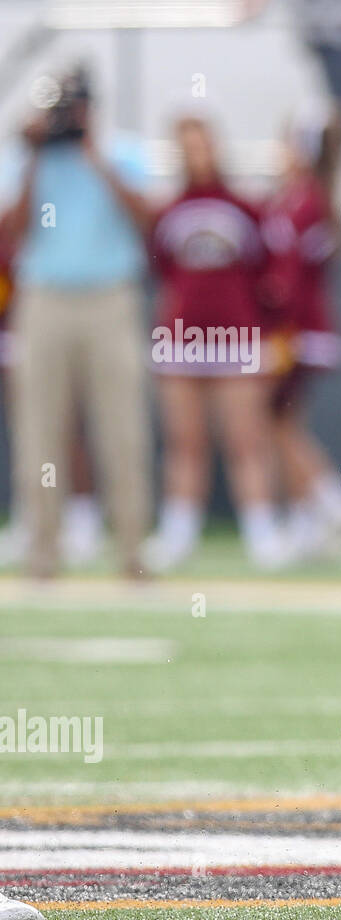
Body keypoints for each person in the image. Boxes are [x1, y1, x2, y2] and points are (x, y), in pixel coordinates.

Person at [2, 67, 153, 579]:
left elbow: (149, 221)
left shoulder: (124, 154)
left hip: (110, 299)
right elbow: (10, 233)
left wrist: (98, 161)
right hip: (45, 298)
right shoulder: (31, 159)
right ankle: (42, 551)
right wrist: (32, 156)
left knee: (122, 429)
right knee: (38, 429)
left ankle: (133, 551)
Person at [143, 116, 286, 571]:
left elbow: (269, 272)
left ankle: (263, 533)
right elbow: (163, 270)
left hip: (237, 337)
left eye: (203, 144)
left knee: (246, 440)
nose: (197, 154)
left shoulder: (248, 209)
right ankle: (178, 531)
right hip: (181, 339)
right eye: (186, 147)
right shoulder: (166, 212)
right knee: (184, 442)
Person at [262, 107, 341, 561]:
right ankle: (309, 519)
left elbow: (285, 279)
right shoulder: (309, 197)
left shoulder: (303, 201)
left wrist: (268, 312)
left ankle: (330, 497)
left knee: (277, 421)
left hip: (298, 331)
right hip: (304, 327)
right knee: (285, 419)